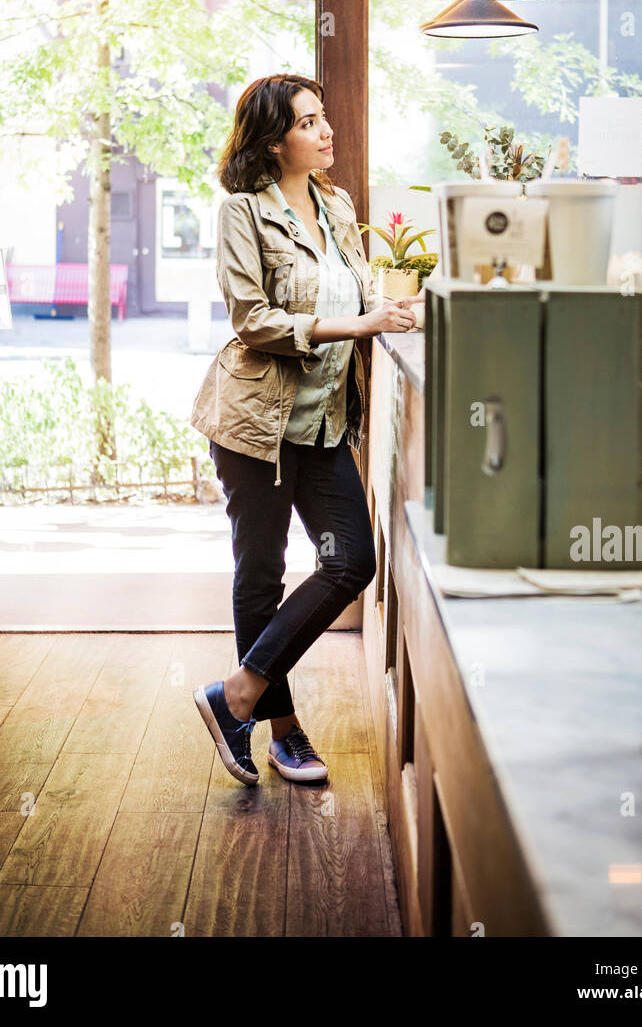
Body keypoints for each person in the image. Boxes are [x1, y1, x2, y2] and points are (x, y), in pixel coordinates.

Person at [190, 74, 423, 786]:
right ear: (272, 140)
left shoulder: (337, 202)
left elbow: (355, 287)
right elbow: (252, 319)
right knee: (259, 574)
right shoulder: (241, 212)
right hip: (255, 425)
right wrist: (357, 324)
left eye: (324, 118)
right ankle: (283, 733)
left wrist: (401, 307)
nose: (326, 132)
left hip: (323, 424)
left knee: (351, 561)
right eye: (309, 123)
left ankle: (236, 695)